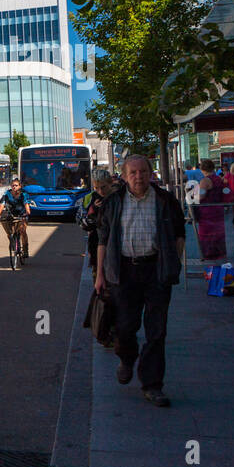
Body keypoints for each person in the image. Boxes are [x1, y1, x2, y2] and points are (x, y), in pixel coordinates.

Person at [95, 155, 186, 407]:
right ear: (124, 176)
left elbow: (179, 234)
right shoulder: (113, 202)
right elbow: (102, 239)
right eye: (133, 172)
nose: (139, 176)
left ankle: (152, 384)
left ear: (150, 173)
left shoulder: (165, 200)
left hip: (156, 271)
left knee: (157, 331)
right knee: (125, 328)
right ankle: (127, 358)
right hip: (124, 272)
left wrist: (172, 263)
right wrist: (101, 274)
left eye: (143, 171)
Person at [79, 169, 116, 276]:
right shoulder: (89, 198)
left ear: (110, 183)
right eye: (96, 188)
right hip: (96, 246)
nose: (100, 191)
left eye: (103, 187)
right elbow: (81, 223)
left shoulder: (118, 197)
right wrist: (93, 211)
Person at [192, 159, 228, 260]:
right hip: (218, 210)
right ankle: (220, 254)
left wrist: (195, 192)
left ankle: (209, 255)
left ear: (202, 169)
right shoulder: (218, 179)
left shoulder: (205, 181)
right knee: (218, 233)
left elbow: (201, 196)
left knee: (207, 234)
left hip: (207, 212)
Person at [0, 177, 33, 260]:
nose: (14, 187)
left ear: (20, 186)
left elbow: (26, 204)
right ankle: (13, 244)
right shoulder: (7, 194)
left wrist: (27, 212)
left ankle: (25, 250)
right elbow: (2, 205)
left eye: (16, 185)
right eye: (12, 185)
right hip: (11, 214)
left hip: (22, 214)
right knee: (9, 232)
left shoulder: (24, 194)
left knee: (23, 231)